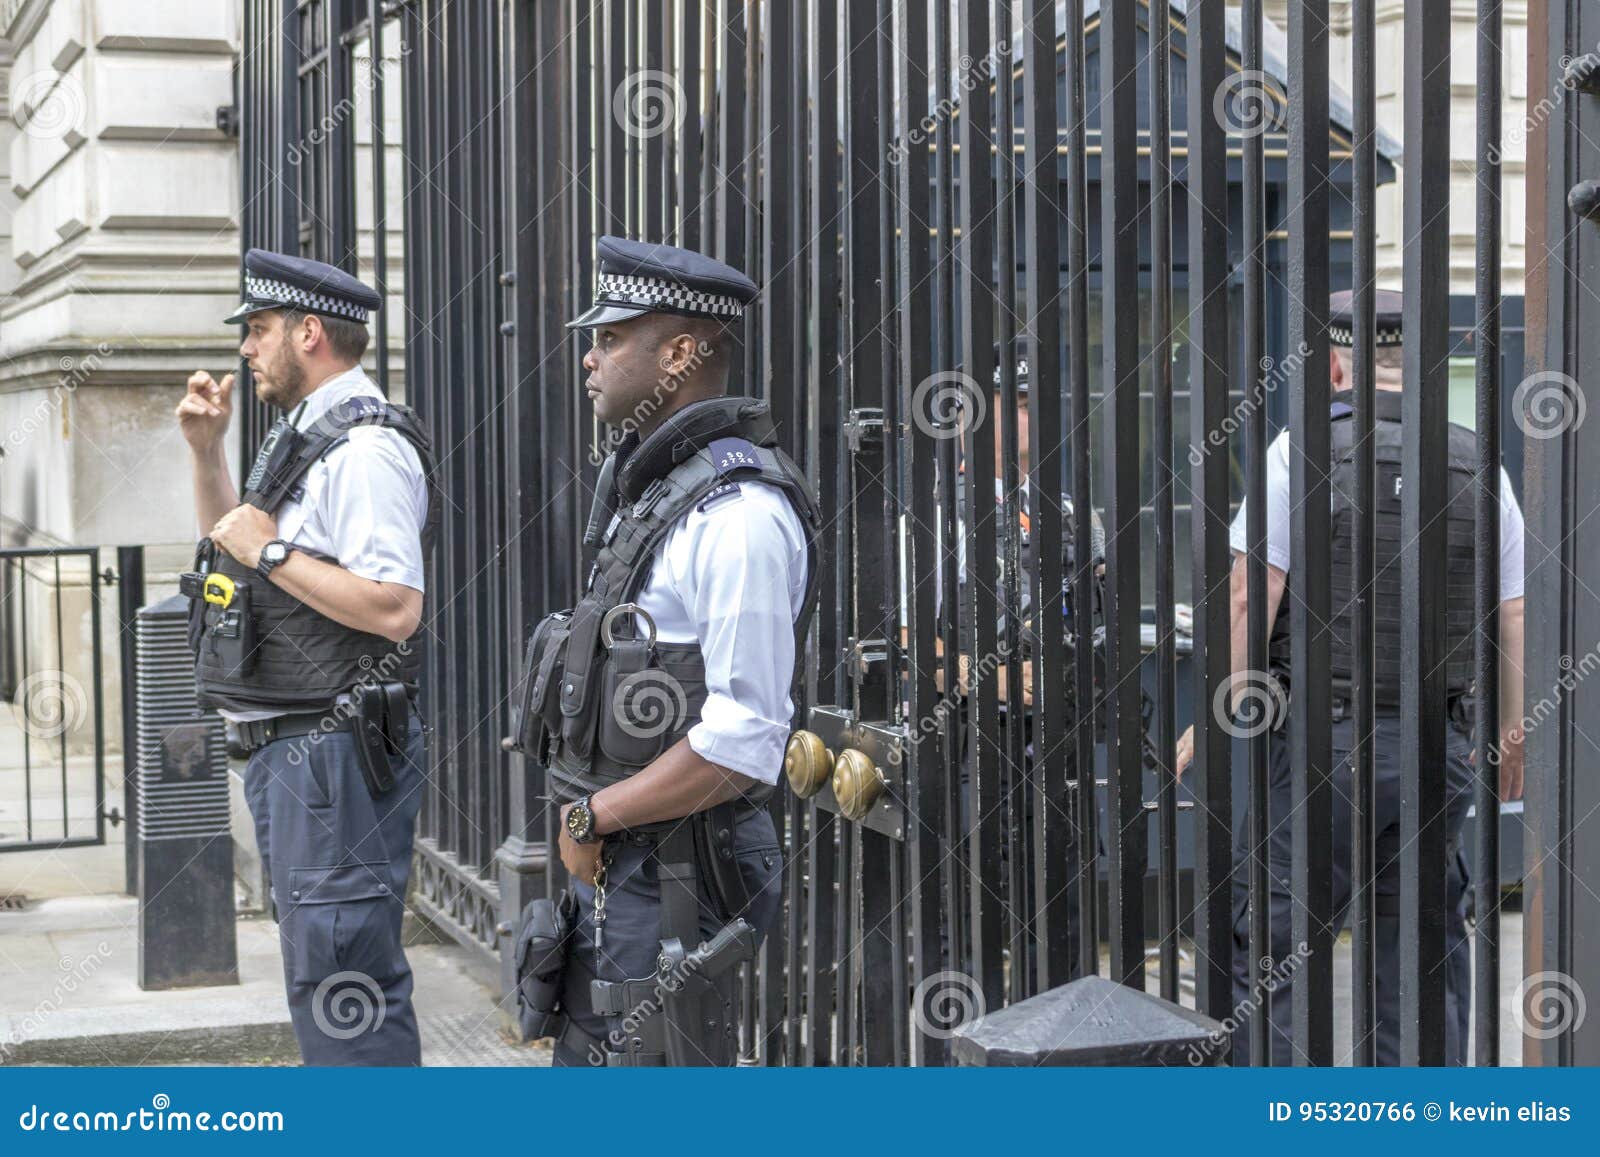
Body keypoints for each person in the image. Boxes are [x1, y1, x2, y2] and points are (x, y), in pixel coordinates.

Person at [1173, 288, 1526, 1065]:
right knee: (1420, 952)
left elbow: (1249, 589)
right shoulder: (1479, 463)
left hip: (1321, 746)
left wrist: (1228, 704)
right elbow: (1513, 613)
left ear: (1336, 364)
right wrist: (1509, 730)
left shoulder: (1295, 453)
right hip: (1440, 742)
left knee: (1279, 944)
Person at [512, 235, 820, 1066]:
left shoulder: (738, 516)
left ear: (681, 353)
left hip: (680, 870)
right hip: (630, 863)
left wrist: (589, 816)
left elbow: (745, 739)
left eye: (612, 337)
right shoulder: (656, 496)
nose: (590, 356)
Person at [176, 248, 437, 1066]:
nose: (246, 349)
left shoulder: (364, 451)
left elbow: (397, 607)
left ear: (309, 332)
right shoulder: (306, 437)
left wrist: (276, 551)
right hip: (298, 754)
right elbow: (234, 546)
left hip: (329, 755)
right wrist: (208, 451)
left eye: (257, 330)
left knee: (344, 982)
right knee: (325, 980)